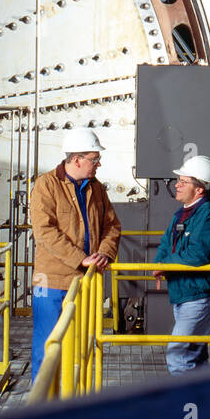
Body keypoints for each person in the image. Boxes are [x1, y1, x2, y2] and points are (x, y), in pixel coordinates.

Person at [27, 128, 121, 385]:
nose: (98, 163)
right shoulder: (46, 185)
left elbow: (112, 226)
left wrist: (103, 253)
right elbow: (44, 232)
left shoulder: (96, 189)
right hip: (53, 282)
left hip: (85, 282)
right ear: (77, 159)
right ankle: (43, 408)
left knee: (80, 348)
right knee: (49, 344)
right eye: (94, 158)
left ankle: (70, 402)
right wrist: (81, 258)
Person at [153, 154, 210, 373]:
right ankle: (201, 403)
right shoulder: (182, 213)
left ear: (199, 189)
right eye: (178, 180)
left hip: (200, 295)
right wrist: (160, 262)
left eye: (183, 181)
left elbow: (198, 254)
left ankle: (185, 405)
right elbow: (166, 243)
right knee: (194, 356)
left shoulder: (207, 214)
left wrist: (166, 265)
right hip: (185, 293)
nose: (177, 185)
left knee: (178, 355)